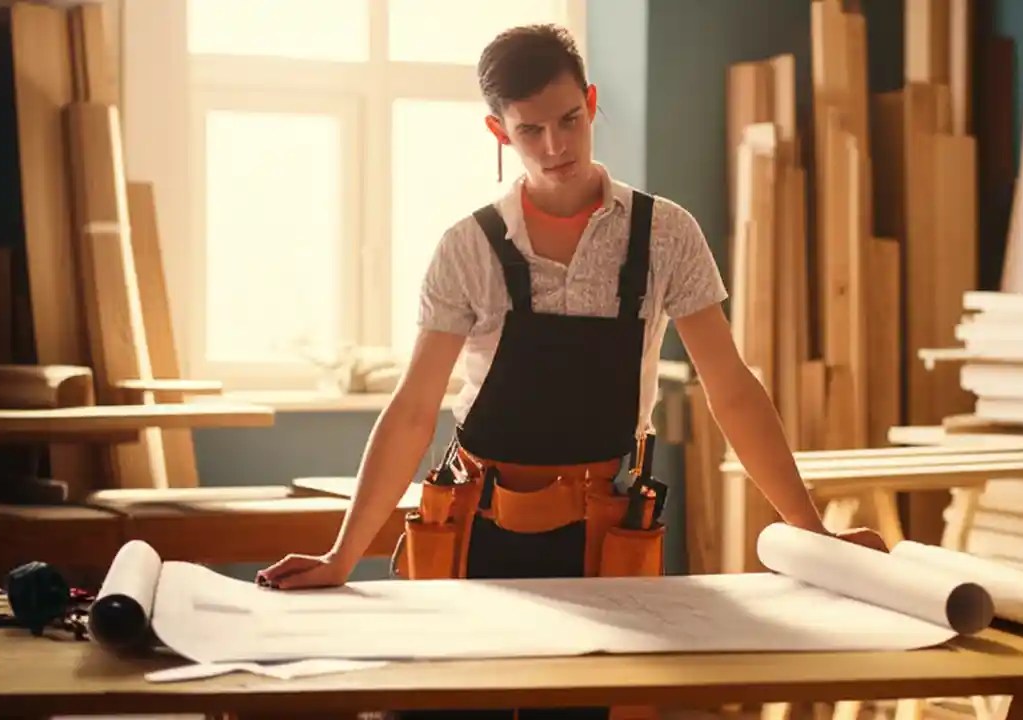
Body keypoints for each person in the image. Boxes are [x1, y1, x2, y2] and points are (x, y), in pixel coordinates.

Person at [257, 22, 886, 720]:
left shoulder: (664, 235)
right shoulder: (467, 248)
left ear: (589, 101)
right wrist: (344, 556)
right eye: (531, 131)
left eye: (570, 120)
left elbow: (731, 389)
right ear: (499, 131)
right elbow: (413, 408)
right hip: (476, 526)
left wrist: (810, 530)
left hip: (603, 529)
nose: (555, 147)